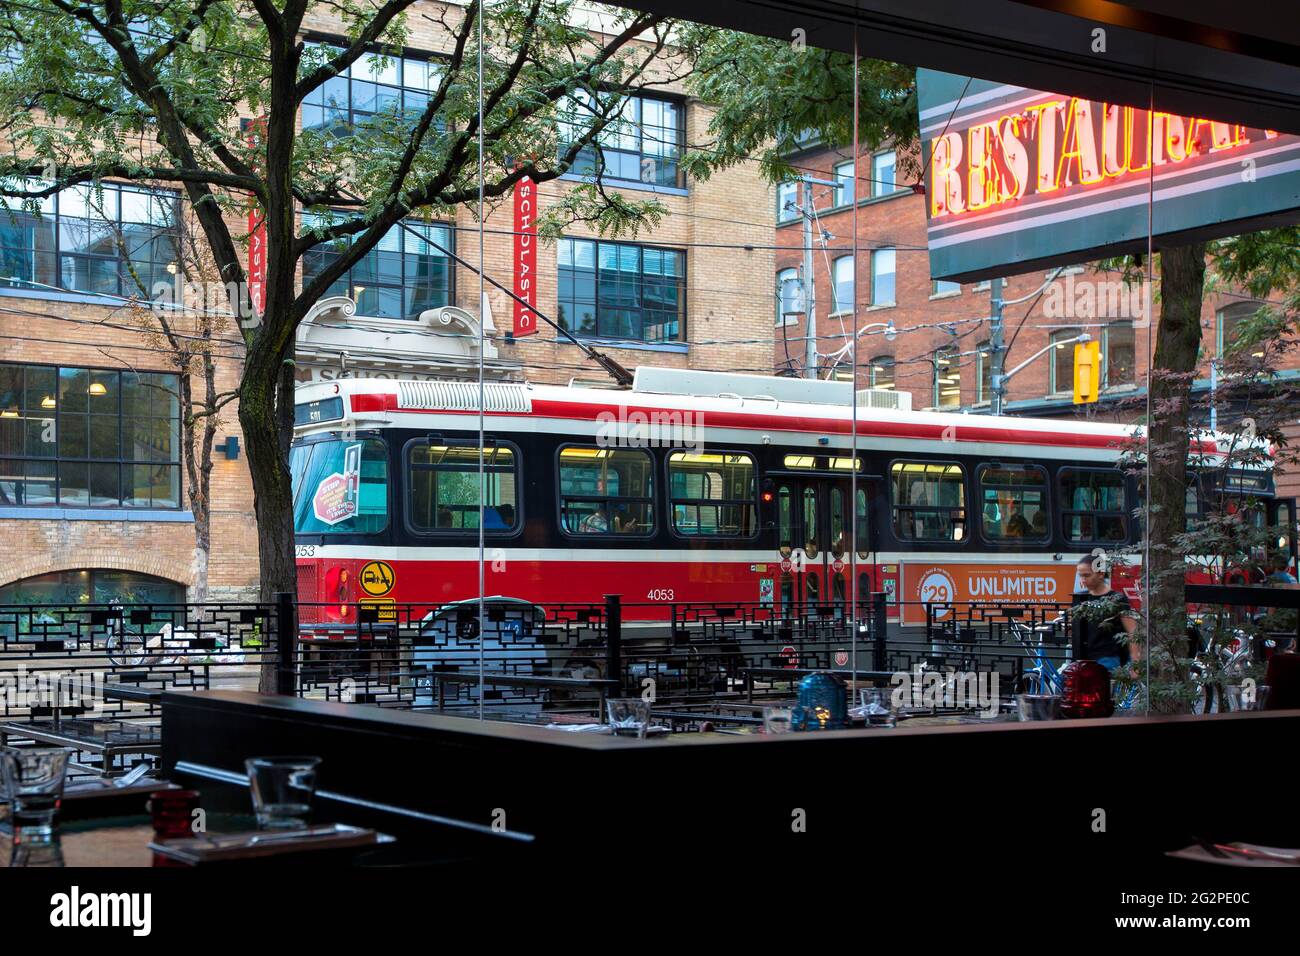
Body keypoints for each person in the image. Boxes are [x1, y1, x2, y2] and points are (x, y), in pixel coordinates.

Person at [1072, 555, 1139, 671]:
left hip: (1108, 657)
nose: (1083, 580)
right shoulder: (1080, 597)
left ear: (1101, 574)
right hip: (1082, 659)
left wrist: (1135, 662)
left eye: (1087, 575)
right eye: (1081, 576)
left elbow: (1132, 630)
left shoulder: (1117, 599)